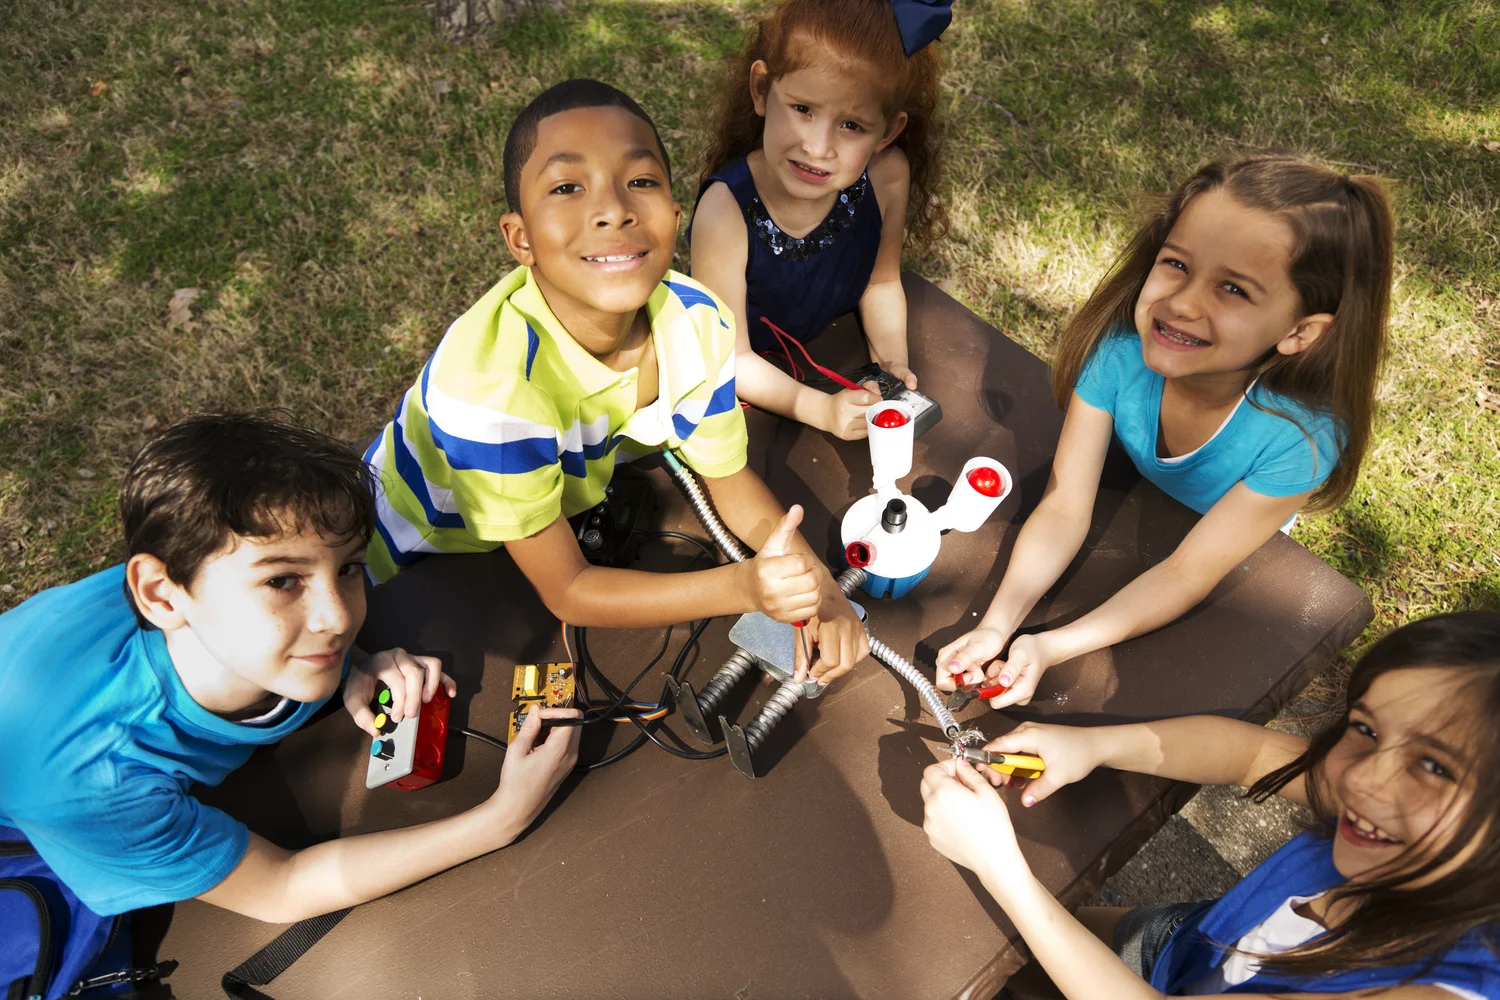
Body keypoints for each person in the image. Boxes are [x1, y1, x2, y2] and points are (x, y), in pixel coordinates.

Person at [364, 79, 867, 682]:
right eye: (568, 187)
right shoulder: (488, 398)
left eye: (642, 181)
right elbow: (570, 589)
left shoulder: (696, 320)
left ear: (674, 216)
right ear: (519, 238)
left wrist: (823, 593)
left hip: (529, 530)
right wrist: (747, 586)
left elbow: (730, 483)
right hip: (415, 564)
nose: (614, 209)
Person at [0, 414, 582, 927]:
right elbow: (279, 889)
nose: (337, 617)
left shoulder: (203, 587)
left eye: (349, 568)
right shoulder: (98, 787)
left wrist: (351, 666)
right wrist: (500, 819)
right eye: (282, 581)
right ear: (161, 595)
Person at [937, 156, 1395, 709]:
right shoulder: (1120, 354)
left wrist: (1051, 647)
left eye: (1233, 289)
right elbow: (1063, 509)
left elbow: (1188, 571)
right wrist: (997, 626)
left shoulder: (1299, 438)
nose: (1181, 303)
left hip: (1223, 536)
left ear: (1300, 331)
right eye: (1177, 263)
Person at [921, 611, 1500, 997]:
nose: (1366, 781)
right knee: (1031, 950)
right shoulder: (1384, 819)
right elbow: (1249, 754)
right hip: (1192, 944)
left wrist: (1003, 870)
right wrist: (1092, 745)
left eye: (1435, 766)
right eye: (1367, 729)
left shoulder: (1431, 989)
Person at [688, 0, 949, 440]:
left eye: (851, 125)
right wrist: (820, 409)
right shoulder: (725, 210)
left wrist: (891, 364)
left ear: (888, 132)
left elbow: (880, 283)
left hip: (837, 353)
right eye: (803, 109)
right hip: (749, 398)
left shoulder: (885, 177)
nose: (818, 147)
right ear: (761, 90)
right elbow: (728, 357)